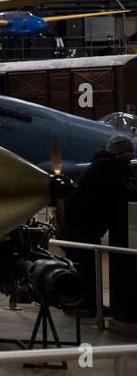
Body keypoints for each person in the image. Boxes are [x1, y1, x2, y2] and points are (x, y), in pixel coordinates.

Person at [63, 135, 135, 318]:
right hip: (83, 224)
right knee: (85, 265)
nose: (131, 156)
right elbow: (119, 192)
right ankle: (83, 305)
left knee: (85, 263)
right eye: (129, 153)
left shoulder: (106, 164)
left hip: (83, 223)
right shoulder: (105, 166)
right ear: (120, 154)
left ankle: (85, 304)